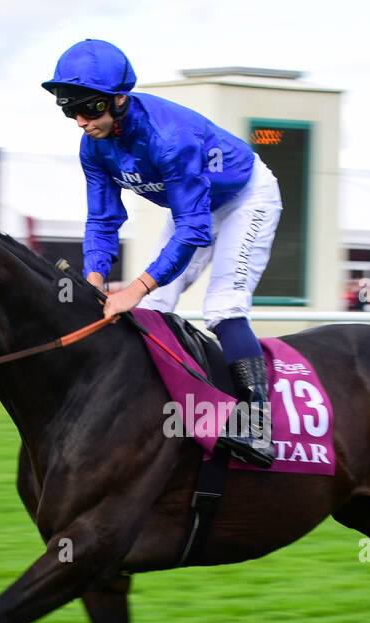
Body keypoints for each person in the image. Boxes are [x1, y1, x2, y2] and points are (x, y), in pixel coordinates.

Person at [43, 38, 283, 468]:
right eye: (69, 109)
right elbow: (102, 220)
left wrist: (133, 287)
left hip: (245, 199)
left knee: (223, 307)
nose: (80, 121)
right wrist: (93, 279)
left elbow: (193, 228)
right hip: (195, 204)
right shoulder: (94, 144)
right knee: (153, 306)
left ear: (119, 99)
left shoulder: (169, 139)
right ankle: (159, 410)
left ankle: (258, 424)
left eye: (89, 108)